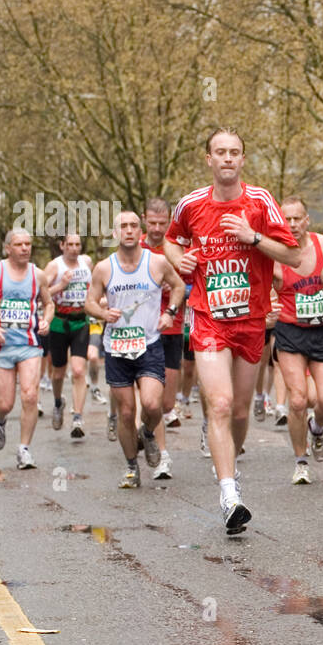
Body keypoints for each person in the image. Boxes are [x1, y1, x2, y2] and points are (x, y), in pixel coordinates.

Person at [164, 128, 299, 533]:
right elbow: (171, 242)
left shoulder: (259, 202)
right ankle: (229, 494)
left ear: (242, 160)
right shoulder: (191, 204)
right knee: (219, 404)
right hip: (208, 318)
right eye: (219, 152)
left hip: (251, 320)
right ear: (208, 159)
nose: (227, 158)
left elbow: (292, 252)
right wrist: (179, 261)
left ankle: (230, 466)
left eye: (234, 152)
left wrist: (253, 237)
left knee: (240, 410)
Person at [86, 211, 185, 489]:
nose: (128, 230)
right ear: (115, 233)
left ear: (138, 230)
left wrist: (170, 313)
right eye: (123, 226)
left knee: (153, 405)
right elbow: (90, 302)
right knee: (126, 412)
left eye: (133, 226)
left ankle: (149, 433)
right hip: (116, 347)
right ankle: (131, 467)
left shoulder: (157, 262)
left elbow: (178, 287)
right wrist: (102, 313)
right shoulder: (104, 267)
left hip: (149, 344)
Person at [0, 229, 55, 469]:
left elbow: (49, 304)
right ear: (8, 248)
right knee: (5, 403)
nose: (25, 248)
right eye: (19, 244)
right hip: (2, 345)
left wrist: (46, 319)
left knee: (30, 395)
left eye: (28, 244)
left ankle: (24, 449)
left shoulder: (38, 275)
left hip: (29, 344)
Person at [272, 197, 323, 485]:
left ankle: (317, 427)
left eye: (297, 219)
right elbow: (263, 285)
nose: (292, 225)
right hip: (290, 332)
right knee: (299, 400)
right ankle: (301, 461)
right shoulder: (276, 254)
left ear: (307, 220)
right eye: (286, 220)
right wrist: (269, 307)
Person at [142, 197, 182, 479]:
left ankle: (145, 432)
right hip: (138, 332)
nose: (157, 228)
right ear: (145, 219)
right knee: (147, 400)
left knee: (167, 404)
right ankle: (162, 456)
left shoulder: (177, 247)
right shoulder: (134, 246)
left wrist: (178, 285)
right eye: (152, 222)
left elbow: (193, 283)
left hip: (171, 327)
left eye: (162, 223)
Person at [42, 233, 95, 439]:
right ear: (62, 245)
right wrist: (61, 286)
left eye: (77, 244)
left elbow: (96, 285)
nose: (74, 248)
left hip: (81, 321)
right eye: (70, 244)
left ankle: (77, 417)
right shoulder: (54, 266)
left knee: (79, 370)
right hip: (58, 322)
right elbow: (42, 292)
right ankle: (58, 402)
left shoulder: (87, 262)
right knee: (58, 373)